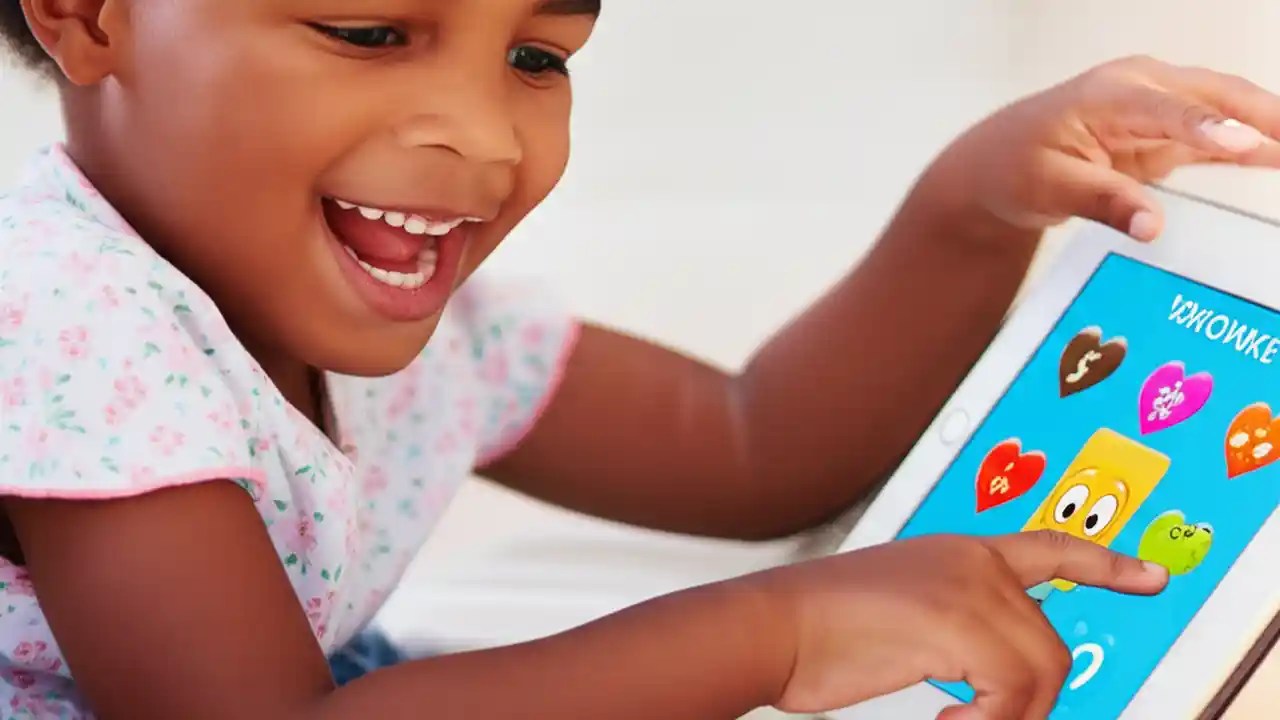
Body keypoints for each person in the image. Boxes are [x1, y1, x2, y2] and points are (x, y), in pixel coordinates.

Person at [0, 1, 1277, 718]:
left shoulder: (403, 319)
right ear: (88, 17)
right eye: (368, 31)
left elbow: (753, 447)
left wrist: (972, 207)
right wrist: (771, 633)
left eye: (534, 59)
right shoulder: (64, 317)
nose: (484, 138)